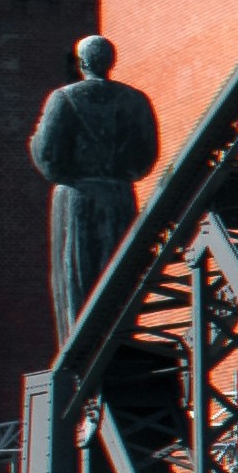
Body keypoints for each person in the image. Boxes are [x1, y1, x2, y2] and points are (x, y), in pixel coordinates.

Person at [29, 35, 162, 340]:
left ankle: (80, 350)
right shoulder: (136, 100)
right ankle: (119, 340)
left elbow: (47, 156)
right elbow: (146, 156)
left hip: (77, 198)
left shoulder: (64, 98)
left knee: (77, 275)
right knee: (118, 271)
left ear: (82, 62)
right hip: (119, 196)